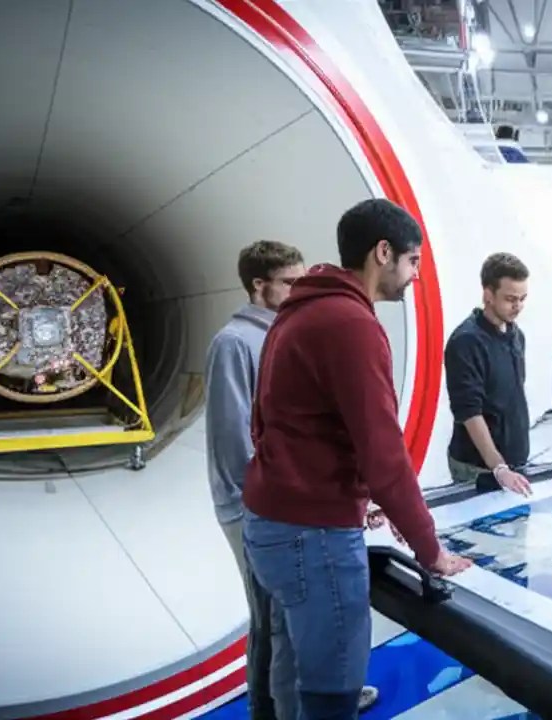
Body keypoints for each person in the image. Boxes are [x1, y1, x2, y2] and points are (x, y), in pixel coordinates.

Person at [241, 199, 472, 720]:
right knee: (332, 691)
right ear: (383, 252)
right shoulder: (352, 324)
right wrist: (430, 551)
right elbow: (383, 452)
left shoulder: (300, 309)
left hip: (270, 520)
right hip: (313, 535)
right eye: (412, 261)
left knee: (289, 667)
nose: (414, 276)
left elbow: (274, 421)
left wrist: (355, 493)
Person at [205, 240, 309, 720]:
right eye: (289, 282)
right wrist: (267, 503)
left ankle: (283, 701)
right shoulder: (234, 343)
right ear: (258, 285)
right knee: (267, 617)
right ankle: (265, 708)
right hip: (250, 505)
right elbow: (234, 437)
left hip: (278, 502)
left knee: (278, 615)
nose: (298, 290)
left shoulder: (284, 335)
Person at [443, 252, 534, 495]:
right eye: (510, 299)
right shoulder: (466, 342)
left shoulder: (516, 335)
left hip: (515, 465)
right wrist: (499, 467)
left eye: (522, 299)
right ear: (488, 295)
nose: (518, 306)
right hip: (479, 468)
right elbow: (469, 412)